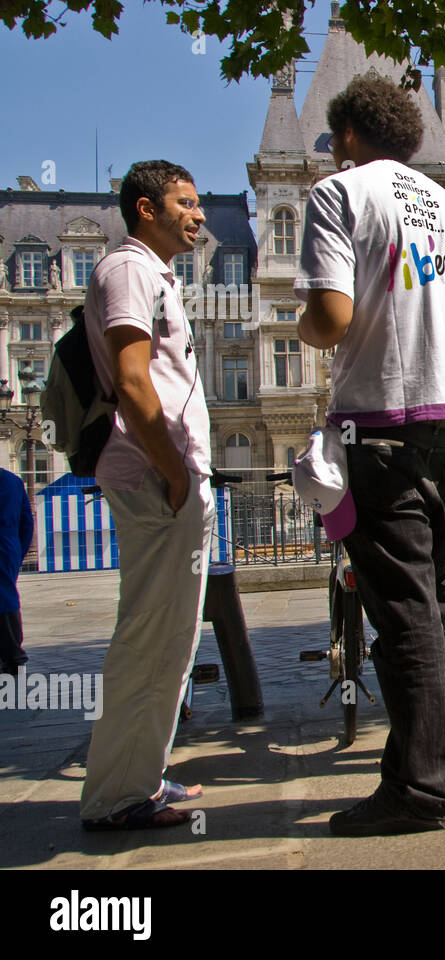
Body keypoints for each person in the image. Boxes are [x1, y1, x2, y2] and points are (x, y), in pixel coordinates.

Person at [296, 74, 445, 836]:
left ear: (347, 134)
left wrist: (309, 326)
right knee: (438, 602)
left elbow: (332, 314)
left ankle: (417, 789)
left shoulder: (340, 194)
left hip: (379, 420)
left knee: (403, 611)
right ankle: (444, 768)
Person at [80, 160, 214, 830]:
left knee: (168, 639)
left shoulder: (151, 273)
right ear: (145, 208)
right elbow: (134, 382)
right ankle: (117, 797)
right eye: (185, 204)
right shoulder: (129, 270)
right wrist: (176, 473)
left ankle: (138, 778)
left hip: (159, 479)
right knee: (151, 637)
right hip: (154, 481)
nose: (199, 216)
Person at [0, 468, 33, 676]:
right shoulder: (12, 480)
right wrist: (17, 553)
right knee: (5, 597)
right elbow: (26, 522)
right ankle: (13, 656)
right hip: (7, 547)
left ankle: (13, 655)